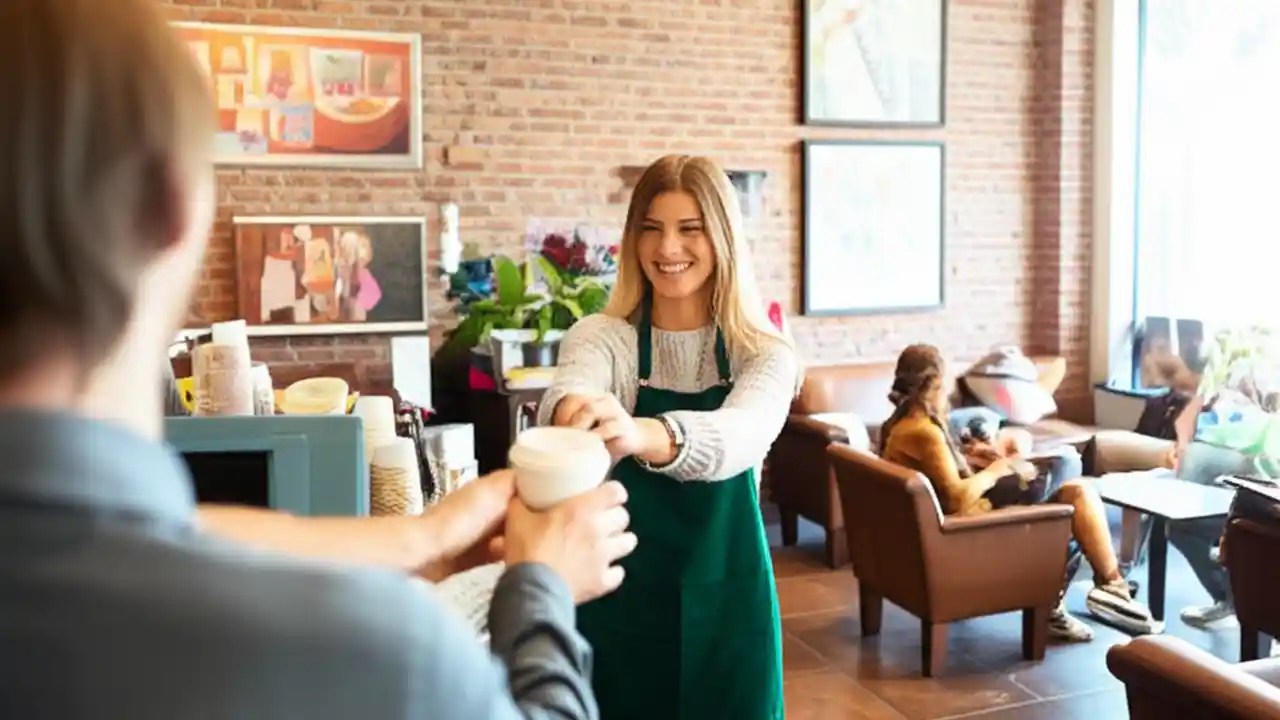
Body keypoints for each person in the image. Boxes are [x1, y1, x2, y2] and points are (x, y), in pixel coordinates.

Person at [0, 2, 635, 718]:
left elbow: (134, 533)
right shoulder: (386, 659)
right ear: (169, 207)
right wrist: (540, 590)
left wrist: (419, 537)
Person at [537, 154, 801, 719]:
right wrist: (573, 414)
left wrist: (638, 432)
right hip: (616, 599)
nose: (667, 249)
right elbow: (569, 392)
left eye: (690, 229)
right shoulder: (603, 337)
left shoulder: (766, 354)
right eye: (651, 229)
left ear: (724, 238)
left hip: (729, 609)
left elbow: (739, 436)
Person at [878, 345, 1162, 640]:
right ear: (932, 384)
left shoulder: (899, 425)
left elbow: (942, 478)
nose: (949, 390)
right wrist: (999, 469)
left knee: (1077, 492)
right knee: (1067, 465)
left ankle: (1110, 587)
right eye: (946, 381)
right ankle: (1107, 590)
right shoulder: (924, 431)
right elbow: (956, 498)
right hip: (965, 531)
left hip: (945, 528)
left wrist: (978, 458)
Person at [1162, 325, 1280, 629]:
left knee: (1247, 533)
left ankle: (1252, 604)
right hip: (1230, 467)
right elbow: (1186, 419)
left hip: (1264, 474)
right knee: (1178, 527)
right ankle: (1231, 597)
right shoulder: (1227, 376)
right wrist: (1182, 447)